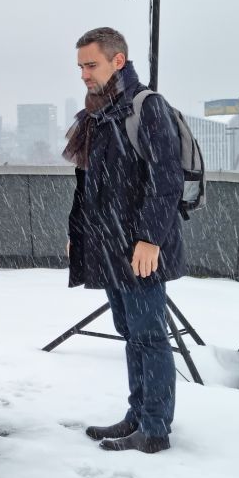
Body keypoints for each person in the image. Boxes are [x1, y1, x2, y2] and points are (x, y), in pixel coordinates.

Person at [64, 27, 184, 454]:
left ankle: (154, 429)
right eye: (80, 66)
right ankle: (138, 414)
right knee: (131, 331)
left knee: (149, 335)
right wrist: (76, 236)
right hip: (110, 244)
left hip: (140, 248)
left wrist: (149, 238)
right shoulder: (97, 113)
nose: (83, 74)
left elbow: (166, 179)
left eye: (90, 64)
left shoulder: (145, 107)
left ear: (118, 61)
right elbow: (87, 185)